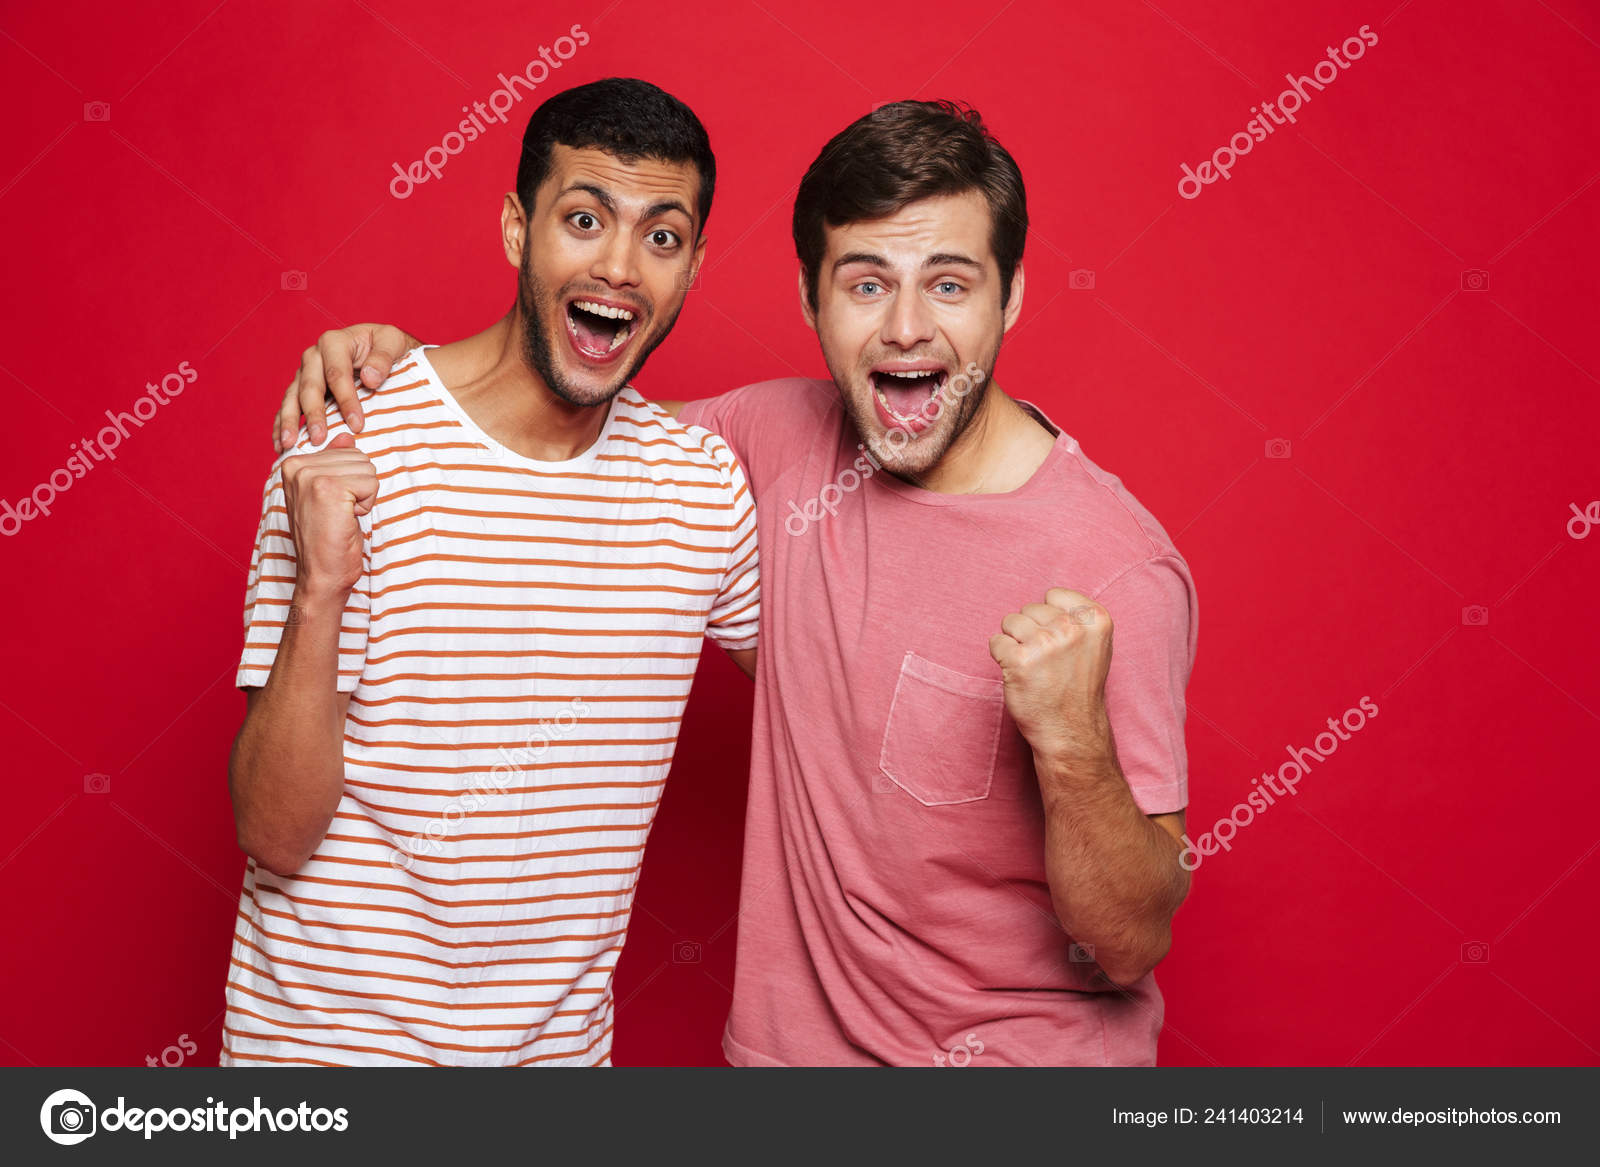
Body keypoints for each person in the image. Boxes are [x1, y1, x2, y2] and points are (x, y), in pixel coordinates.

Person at [273, 100, 1197, 1067]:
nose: (909, 327)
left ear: (1010, 298)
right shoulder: (766, 446)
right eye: (866, 283)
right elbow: (562, 419)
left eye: (952, 284)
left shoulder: (1115, 565)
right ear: (810, 300)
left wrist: (1074, 745)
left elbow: (1131, 939)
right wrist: (396, 367)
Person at [224, 78, 759, 1067]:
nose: (619, 266)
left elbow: (842, 698)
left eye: (662, 236)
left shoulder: (700, 490)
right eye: (584, 219)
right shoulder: (353, 437)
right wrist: (321, 586)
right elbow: (274, 833)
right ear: (518, 230)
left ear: (692, 265)